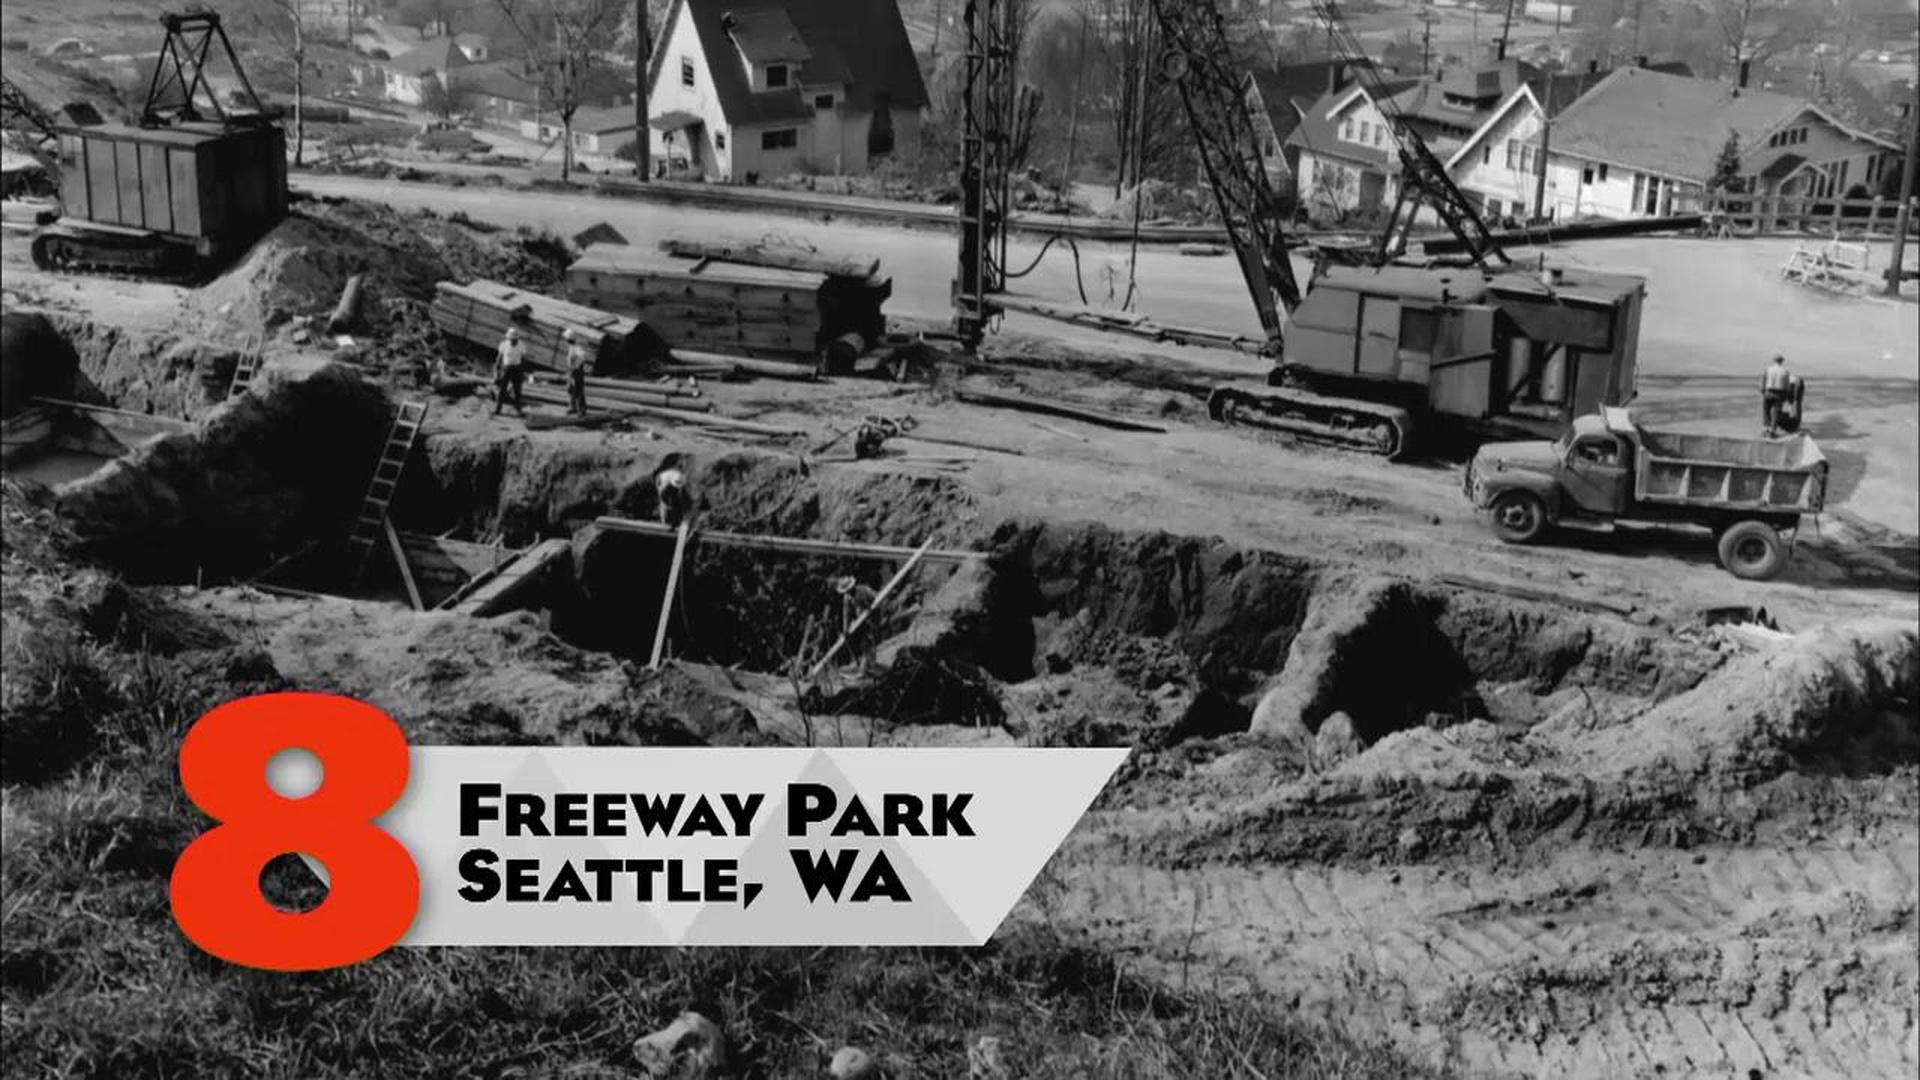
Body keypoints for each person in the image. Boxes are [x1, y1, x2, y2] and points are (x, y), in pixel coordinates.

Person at [494, 327, 527, 416]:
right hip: (506, 369)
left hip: (517, 369)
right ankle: (498, 409)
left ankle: (518, 410)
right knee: (502, 390)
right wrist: (497, 371)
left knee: (517, 391)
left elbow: (524, 359)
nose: (513, 341)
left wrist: (523, 371)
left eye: (515, 339)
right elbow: (499, 358)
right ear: (509, 338)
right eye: (512, 339)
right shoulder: (504, 345)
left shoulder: (521, 345)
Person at [654, 454, 689, 526]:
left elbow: (658, 482)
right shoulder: (677, 474)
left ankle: (664, 522)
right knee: (671, 505)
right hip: (669, 487)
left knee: (664, 504)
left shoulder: (665, 473)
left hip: (664, 486)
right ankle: (670, 522)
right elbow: (677, 484)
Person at [563, 328, 590, 416]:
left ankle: (581, 410)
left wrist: (576, 366)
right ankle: (573, 407)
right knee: (571, 390)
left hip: (576, 372)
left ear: (569, 339)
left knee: (578, 390)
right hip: (572, 371)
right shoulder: (572, 346)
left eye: (566, 338)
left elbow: (583, 356)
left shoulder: (577, 347)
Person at [1761, 355, 1791, 436]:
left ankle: (1766, 429)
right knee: (1776, 413)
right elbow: (1787, 386)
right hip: (1779, 393)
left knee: (1766, 410)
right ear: (1782, 361)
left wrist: (1763, 391)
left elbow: (1764, 381)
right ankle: (1772, 431)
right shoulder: (1785, 371)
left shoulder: (1768, 369)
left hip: (1768, 392)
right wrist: (1787, 396)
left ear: (1774, 361)